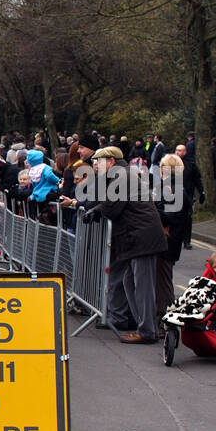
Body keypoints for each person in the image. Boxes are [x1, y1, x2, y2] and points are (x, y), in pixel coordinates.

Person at [80, 146, 165, 344]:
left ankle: (147, 331)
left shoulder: (122, 176)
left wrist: (97, 210)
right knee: (129, 280)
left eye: (99, 162)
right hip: (137, 236)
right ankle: (142, 324)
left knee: (142, 285)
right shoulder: (121, 175)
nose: (96, 166)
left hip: (141, 236)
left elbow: (113, 206)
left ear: (110, 161)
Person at [152, 153, 192, 330]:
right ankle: (163, 319)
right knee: (163, 281)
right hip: (171, 240)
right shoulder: (174, 187)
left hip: (167, 241)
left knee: (163, 283)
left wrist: (152, 209)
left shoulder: (171, 188)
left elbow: (172, 216)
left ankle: (164, 321)